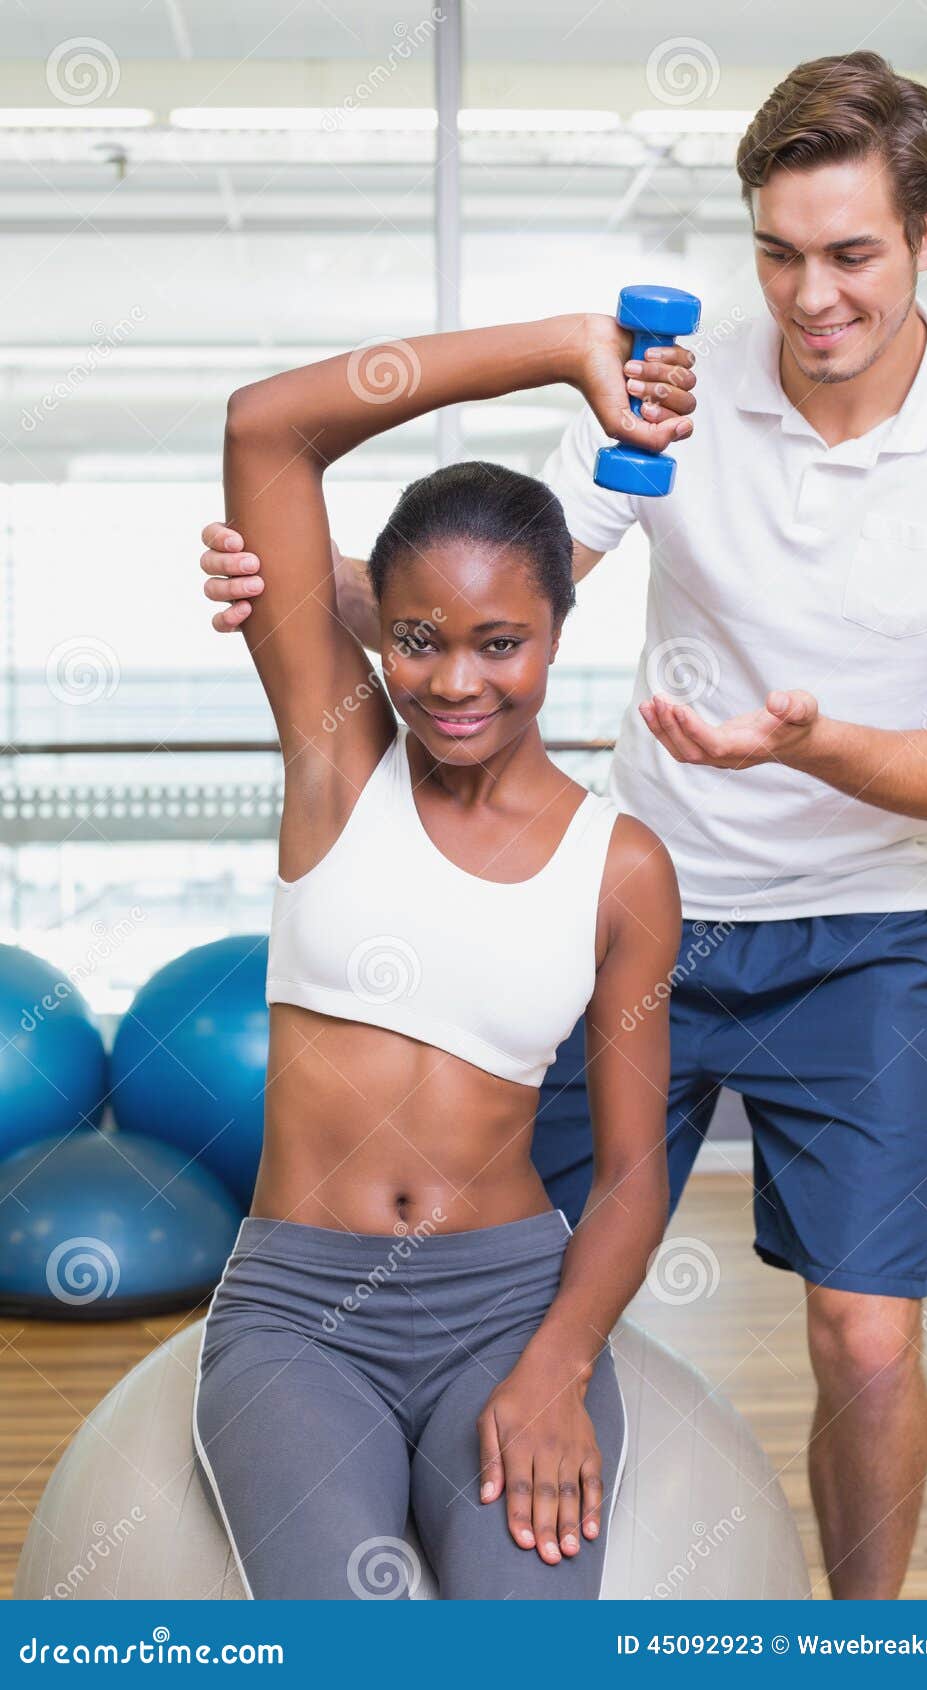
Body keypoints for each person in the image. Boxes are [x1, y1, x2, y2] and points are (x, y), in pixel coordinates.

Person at [198, 52, 927, 1599]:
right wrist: (306, 589)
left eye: (852, 254)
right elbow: (495, 601)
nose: (810, 299)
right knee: (496, 1244)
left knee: (866, 1331)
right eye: (779, 252)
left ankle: (857, 1638)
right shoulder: (673, 387)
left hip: (856, 930)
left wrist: (815, 743)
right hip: (636, 910)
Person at [191, 313, 686, 1601]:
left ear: (556, 632)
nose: (457, 681)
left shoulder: (621, 866)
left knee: (521, 1651)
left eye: (498, 642)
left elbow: (632, 1177)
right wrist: (570, 348)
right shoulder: (338, 757)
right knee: (360, 1646)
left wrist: (557, 1365)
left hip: (506, 1306)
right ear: (380, 634)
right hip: (301, 1313)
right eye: (419, 640)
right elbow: (266, 425)